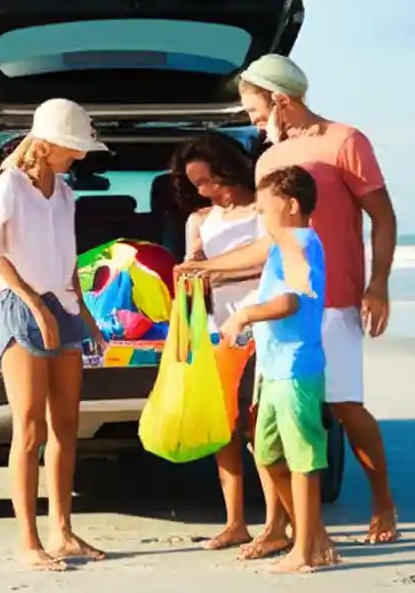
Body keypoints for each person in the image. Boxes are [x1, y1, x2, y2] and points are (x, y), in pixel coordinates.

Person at [180, 53, 401, 546]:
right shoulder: (268, 159)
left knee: (343, 407)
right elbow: (270, 239)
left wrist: (378, 284)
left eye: (255, 111)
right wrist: (206, 266)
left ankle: (383, 502)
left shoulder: (345, 141)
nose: (252, 121)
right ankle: (279, 525)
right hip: (280, 307)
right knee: (271, 419)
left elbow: (383, 218)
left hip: (336, 301)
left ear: (281, 100)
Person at [0, 98, 110, 571]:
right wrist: (34, 304)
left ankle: (63, 531)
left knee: (66, 425)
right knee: (29, 426)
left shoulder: (66, 192)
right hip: (19, 304)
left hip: (64, 303)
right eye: (73, 148)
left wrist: (86, 316)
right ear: (50, 143)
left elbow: (69, 261)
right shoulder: (9, 186)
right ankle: (29, 540)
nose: (78, 157)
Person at [219, 164, 338, 573]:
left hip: (296, 370)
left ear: (290, 205)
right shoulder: (282, 242)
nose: (261, 217)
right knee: (268, 455)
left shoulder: (299, 244)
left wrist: (243, 316)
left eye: (266, 210)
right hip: (273, 370)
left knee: (302, 459)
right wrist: (202, 268)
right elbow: (246, 258)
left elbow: (288, 302)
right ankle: (312, 533)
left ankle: (304, 552)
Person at [167, 134, 264, 551]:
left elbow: (269, 261)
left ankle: (282, 519)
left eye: (210, 180)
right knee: (226, 424)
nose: (207, 191)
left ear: (230, 168)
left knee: (262, 424)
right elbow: (196, 276)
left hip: (265, 325)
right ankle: (235, 521)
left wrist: (214, 272)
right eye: (198, 185)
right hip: (221, 328)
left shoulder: (266, 209)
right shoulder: (201, 220)